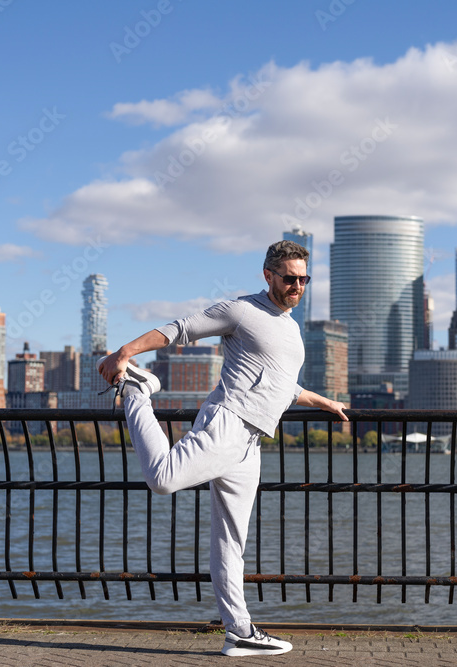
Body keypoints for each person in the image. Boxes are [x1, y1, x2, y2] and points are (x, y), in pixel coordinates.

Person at [98, 240, 348, 657]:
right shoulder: (241, 310)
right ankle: (138, 390)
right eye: (290, 278)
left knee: (232, 540)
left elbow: (281, 386)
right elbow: (181, 328)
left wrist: (324, 401)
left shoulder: (291, 327)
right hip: (228, 424)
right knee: (163, 479)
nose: (298, 286)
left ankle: (240, 632)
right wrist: (126, 352)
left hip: (251, 442)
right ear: (268, 275)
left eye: (304, 279)